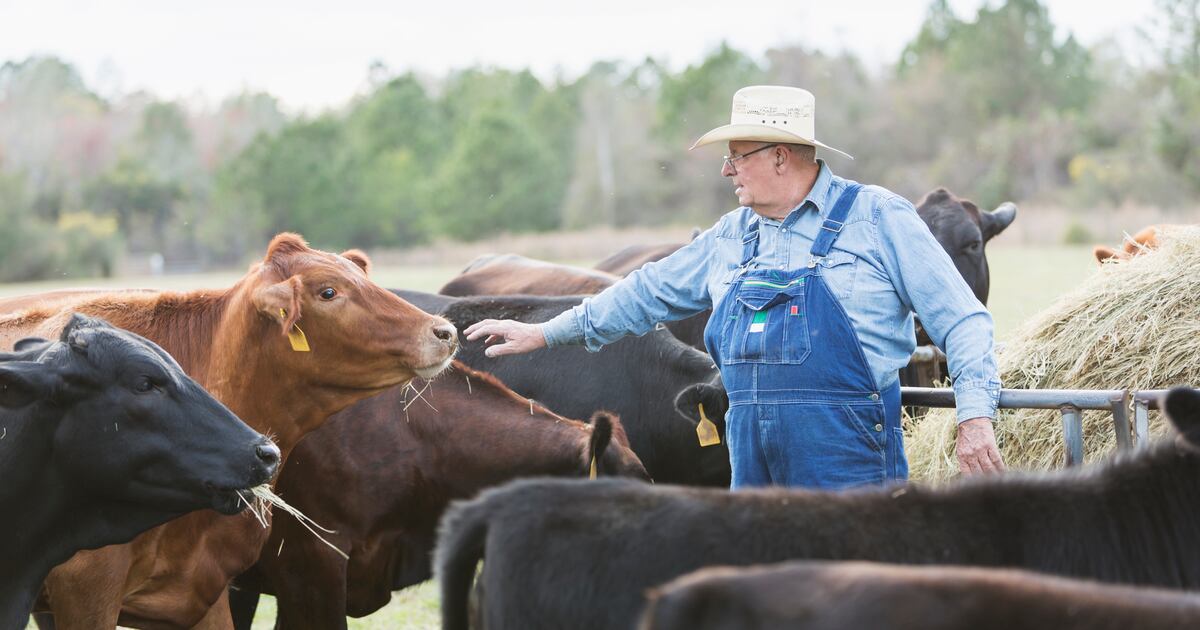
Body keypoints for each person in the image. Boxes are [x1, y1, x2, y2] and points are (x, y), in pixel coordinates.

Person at [465, 85, 1003, 490]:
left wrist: (975, 416)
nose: (726, 170)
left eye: (737, 155)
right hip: (750, 466)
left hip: (850, 461)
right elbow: (641, 294)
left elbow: (964, 319)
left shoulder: (879, 219)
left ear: (780, 156)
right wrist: (545, 333)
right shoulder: (731, 236)